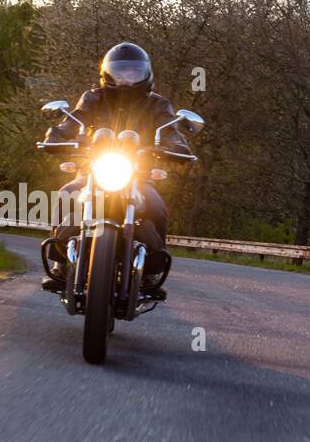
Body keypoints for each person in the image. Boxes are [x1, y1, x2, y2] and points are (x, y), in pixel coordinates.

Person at [40, 42, 195, 294]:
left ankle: (151, 272)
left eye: (133, 73)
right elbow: (72, 121)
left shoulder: (157, 104)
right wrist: (55, 137)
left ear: (145, 74)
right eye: (120, 72)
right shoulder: (93, 98)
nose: (125, 79)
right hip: (93, 171)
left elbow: (170, 131)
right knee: (67, 193)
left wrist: (177, 147)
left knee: (155, 205)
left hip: (138, 175)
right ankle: (60, 264)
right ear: (107, 73)